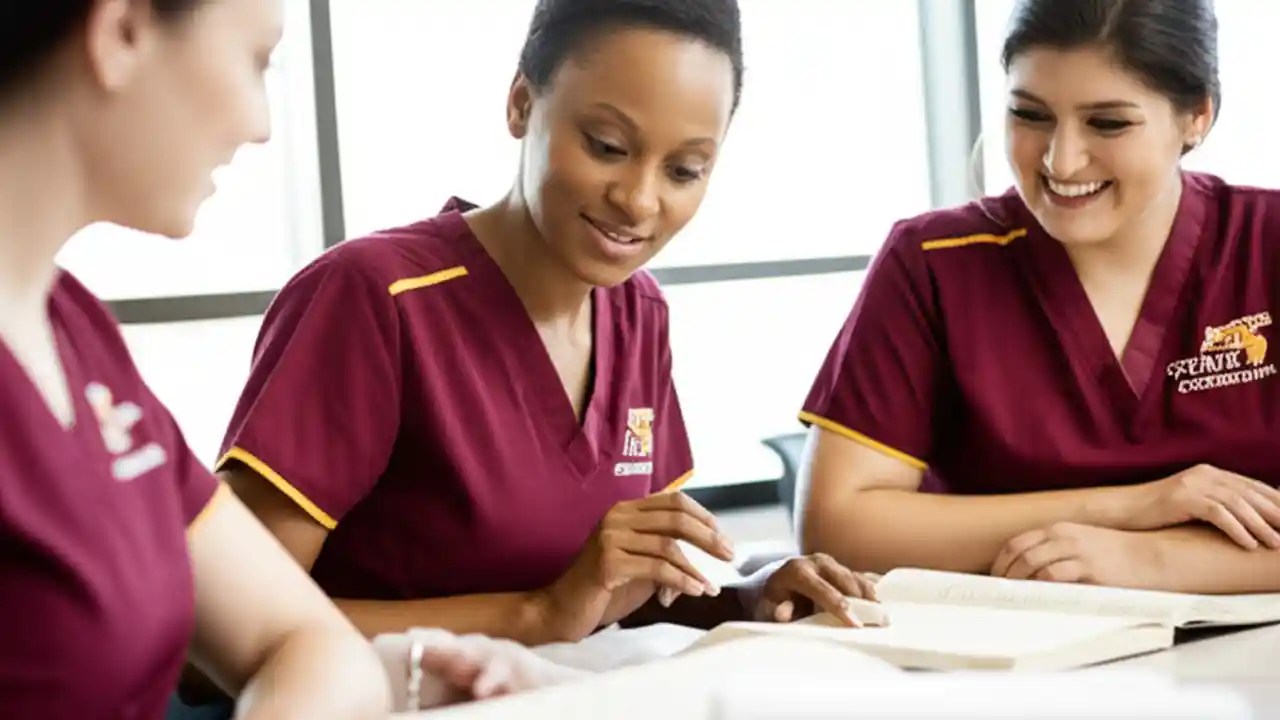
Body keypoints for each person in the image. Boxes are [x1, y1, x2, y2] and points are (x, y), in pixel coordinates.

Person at [215, 0, 876, 659]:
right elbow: (218, 629)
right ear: (522, 104)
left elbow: (618, 589)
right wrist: (537, 615)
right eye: (608, 147)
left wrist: (750, 598)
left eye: (684, 171)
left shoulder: (639, 312)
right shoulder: (377, 298)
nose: (640, 201)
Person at [0, 1, 577, 718]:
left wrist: (397, 671)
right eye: (255, 61)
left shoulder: (73, 333)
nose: (261, 125)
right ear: (121, 30)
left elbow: (299, 634)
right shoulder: (374, 288)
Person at [797, 0, 1280, 595]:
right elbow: (838, 528)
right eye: (1030, 116)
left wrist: (1146, 561)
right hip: (1015, 664)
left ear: (1196, 117)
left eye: (1108, 123)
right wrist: (1126, 507)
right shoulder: (932, 263)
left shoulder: (1269, 245)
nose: (1060, 160)